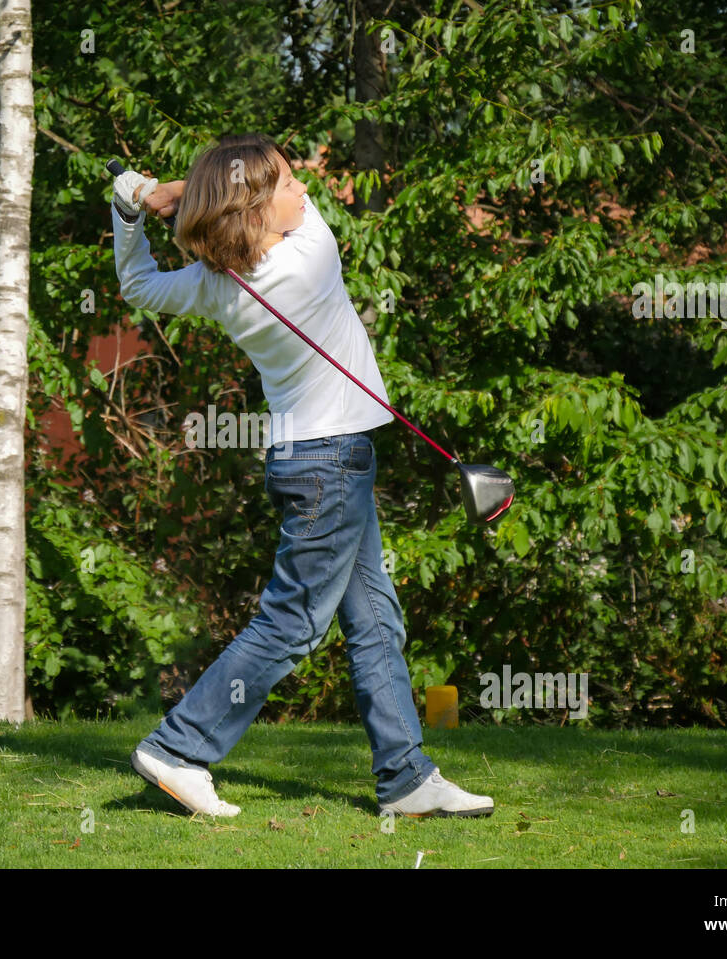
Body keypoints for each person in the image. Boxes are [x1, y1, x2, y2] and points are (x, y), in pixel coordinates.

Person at [109, 133, 493, 820]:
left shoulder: (213, 285)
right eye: (289, 183)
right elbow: (235, 214)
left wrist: (134, 203)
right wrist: (160, 194)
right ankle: (181, 747)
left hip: (310, 460)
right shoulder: (314, 255)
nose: (305, 192)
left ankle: (405, 775)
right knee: (292, 623)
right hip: (331, 465)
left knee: (375, 617)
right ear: (254, 204)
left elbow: (136, 283)